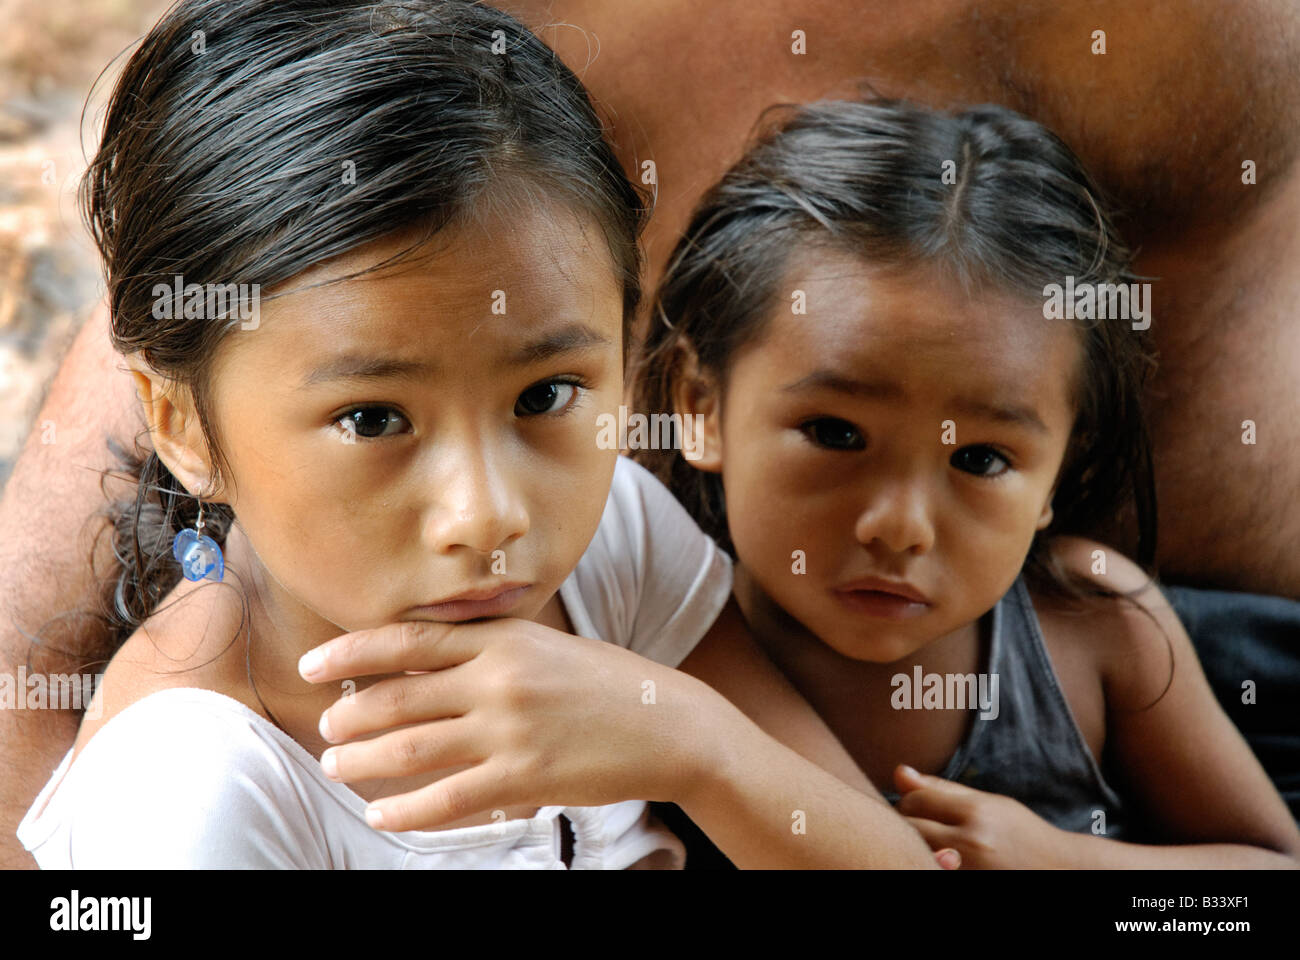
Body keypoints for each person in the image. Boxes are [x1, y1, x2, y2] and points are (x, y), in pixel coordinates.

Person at [12, 0, 940, 869]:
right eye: (373, 418)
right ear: (183, 425)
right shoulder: (187, 798)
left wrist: (699, 750)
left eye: (544, 396)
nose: (488, 515)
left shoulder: (609, 544)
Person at [632, 98, 1300, 867]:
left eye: (980, 459)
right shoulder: (645, 625)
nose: (899, 526)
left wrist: (1062, 861)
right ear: (701, 407)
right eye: (836, 433)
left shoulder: (1094, 629)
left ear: (1059, 471)